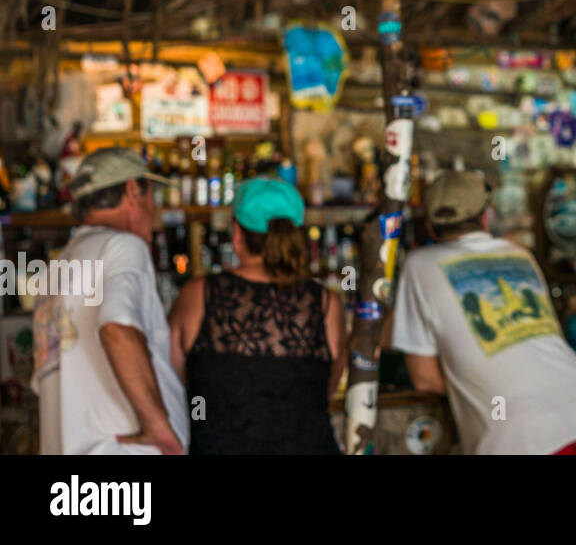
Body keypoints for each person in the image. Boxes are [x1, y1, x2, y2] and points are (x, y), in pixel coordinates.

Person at [391, 170, 576, 454]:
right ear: (485, 218)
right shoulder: (519, 253)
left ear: (431, 228)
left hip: (520, 437)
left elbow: (425, 379)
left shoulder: (418, 265)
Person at [169, 176, 346, 454]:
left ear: (237, 235)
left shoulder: (197, 295)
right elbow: (324, 389)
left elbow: (177, 379)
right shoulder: (326, 304)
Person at [32, 147, 188, 454]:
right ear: (132, 190)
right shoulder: (122, 246)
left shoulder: (56, 268)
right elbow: (116, 329)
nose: (154, 212)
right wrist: (160, 428)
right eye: (151, 197)